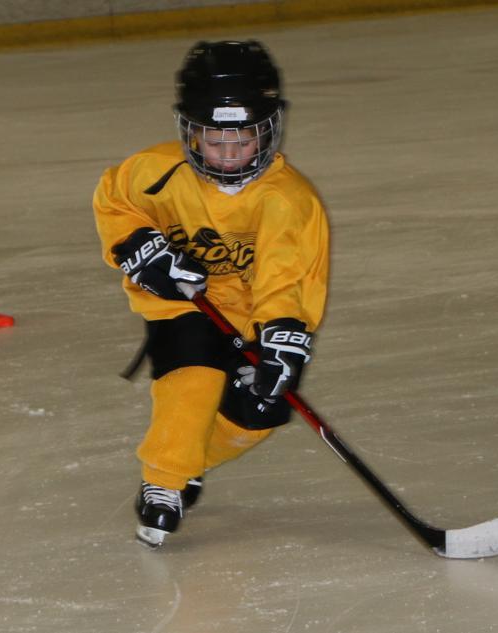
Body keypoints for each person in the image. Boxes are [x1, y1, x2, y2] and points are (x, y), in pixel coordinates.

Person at [92, 40, 330, 548]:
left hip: (250, 312)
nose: (225, 154)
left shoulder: (288, 201)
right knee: (194, 379)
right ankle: (164, 480)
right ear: (189, 131)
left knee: (259, 412)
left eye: (241, 139)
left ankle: (189, 463)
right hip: (181, 300)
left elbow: (287, 278)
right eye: (211, 139)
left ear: (267, 129)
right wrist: (139, 247)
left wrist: (283, 335)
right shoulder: (155, 172)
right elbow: (114, 201)